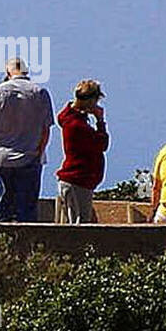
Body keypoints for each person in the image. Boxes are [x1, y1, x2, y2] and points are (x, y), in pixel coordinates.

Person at [0, 56, 53, 222]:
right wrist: (38, 153)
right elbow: (46, 131)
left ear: (7, 72)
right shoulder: (40, 93)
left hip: (3, 159)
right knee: (27, 212)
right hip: (30, 158)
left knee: (2, 209)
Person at [54, 79, 108, 224]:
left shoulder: (71, 119)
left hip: (79, 182)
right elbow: (102, 143)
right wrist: (100, 121)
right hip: (77, 181)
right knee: (80, 227)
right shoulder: (77, 125)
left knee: (82, 222)